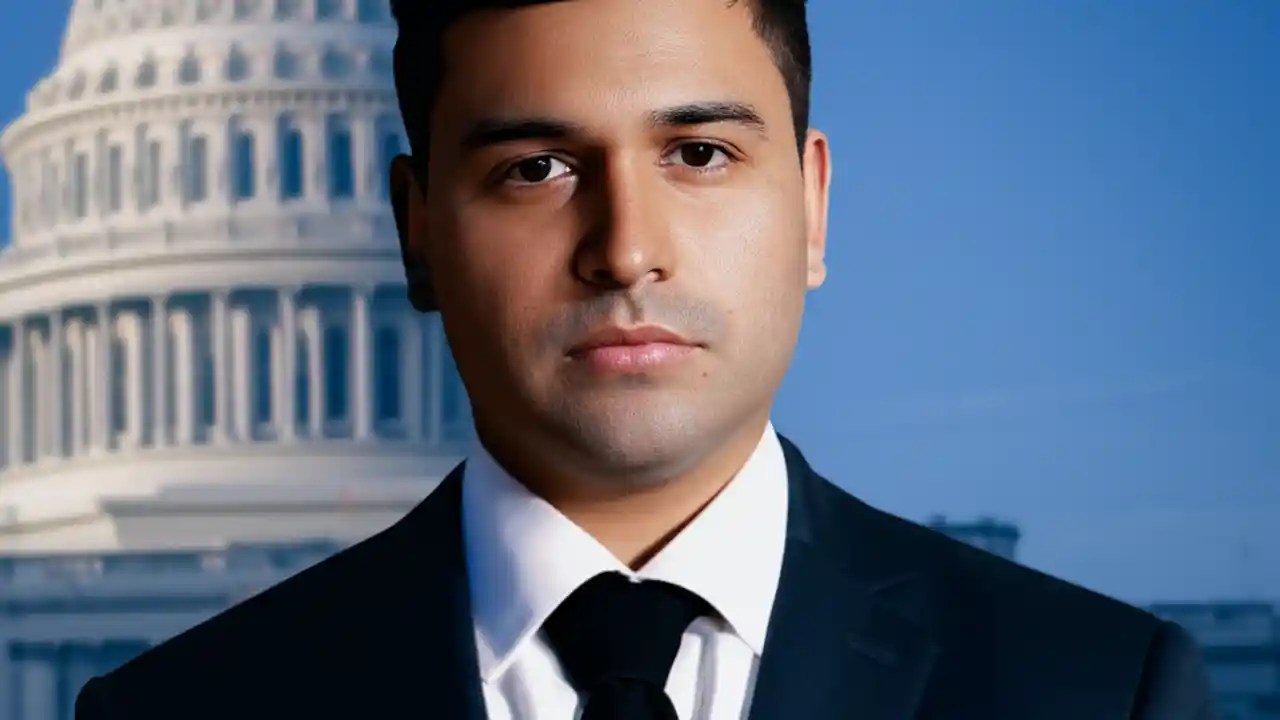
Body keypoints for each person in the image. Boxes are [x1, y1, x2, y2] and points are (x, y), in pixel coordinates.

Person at [75, 0, 1219, 718]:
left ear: (812, 205)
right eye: (535, 169)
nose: (625, 250)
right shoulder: (178, 708)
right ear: (417, 232)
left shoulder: (1094, 688)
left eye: (699, 153)